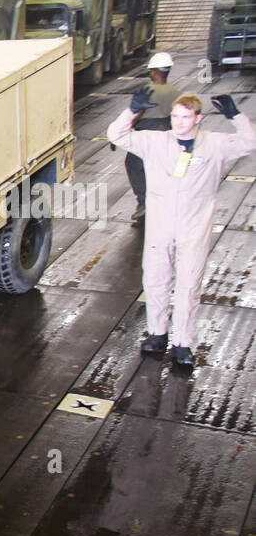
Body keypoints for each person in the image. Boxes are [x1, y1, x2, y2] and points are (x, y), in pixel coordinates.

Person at [108, 92, 256, 368]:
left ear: (198, 118)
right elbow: (116, 134)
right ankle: (157, 334)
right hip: (160, 225)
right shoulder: (156, 142)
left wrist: (236, 116)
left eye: (185, 117)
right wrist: (131, 111)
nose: (178, 122)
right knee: (155, 280)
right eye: (175, 116)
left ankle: (182, 343)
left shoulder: (215, 144)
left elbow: (251, 141)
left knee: (188, 285)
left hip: (194, 227)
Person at [124, 52, 179, 225]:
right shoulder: (177, 93)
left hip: (145, 134)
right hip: (167, 133)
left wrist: (121, 134)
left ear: (154, 72)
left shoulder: (144, 92)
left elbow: (134, 115)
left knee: (133, 164)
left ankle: (143, 202)